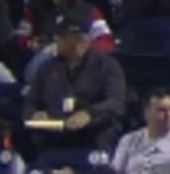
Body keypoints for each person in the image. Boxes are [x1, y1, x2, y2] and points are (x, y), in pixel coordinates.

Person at [24, 9, 128, 154]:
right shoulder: (47, 68)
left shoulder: (107, 65)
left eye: (62, 38)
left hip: (93, 134)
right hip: (55, 134)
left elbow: (116, 101)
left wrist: (89, 114)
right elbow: (30, 103)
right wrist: (35, 114)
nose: (57, 42)